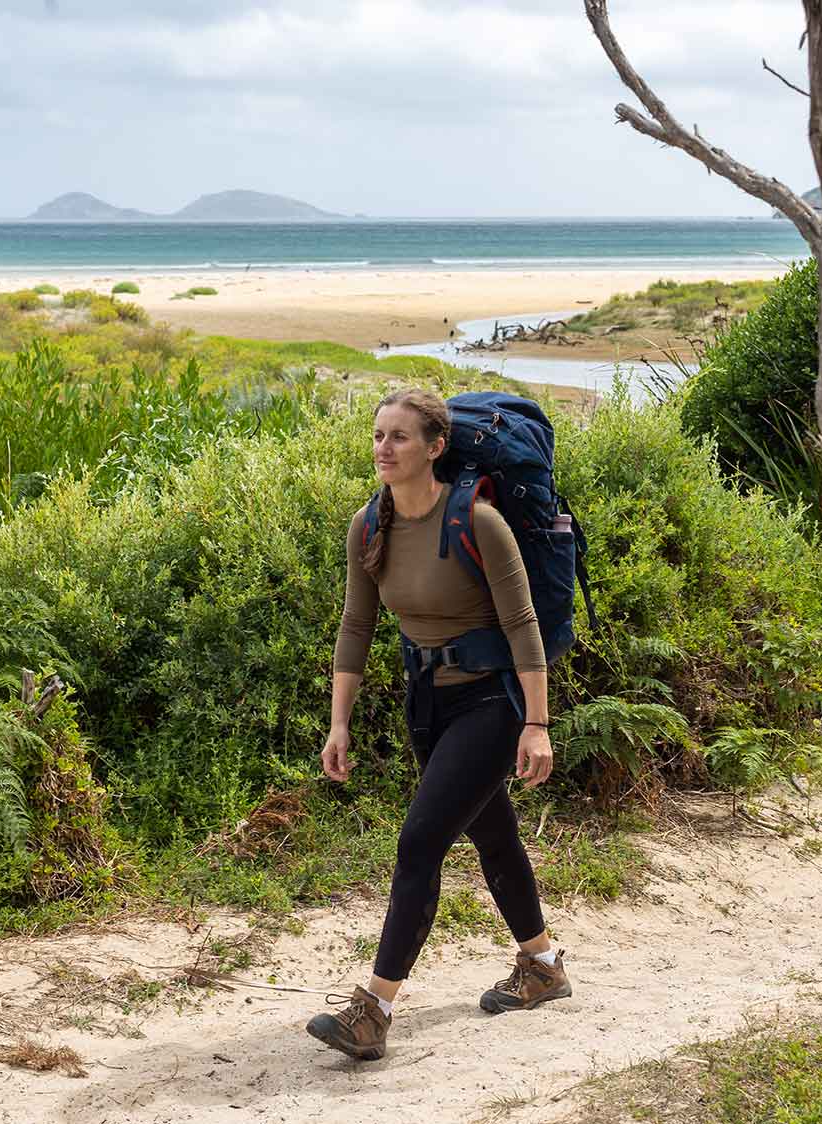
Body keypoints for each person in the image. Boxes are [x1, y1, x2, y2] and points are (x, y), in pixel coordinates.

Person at [306, 387, 571, 1062]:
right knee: (492, 832)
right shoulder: (369, 526)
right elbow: (356, 625)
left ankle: (374, 1010)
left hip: (493, 702)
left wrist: (536, 723)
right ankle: (542, 965)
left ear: (435, 447)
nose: (383, 448)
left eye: (399, 437)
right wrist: (339, 724)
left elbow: (522, 625)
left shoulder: (479, 522)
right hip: (428, 704)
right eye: (377, 435)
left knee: (419, 842)